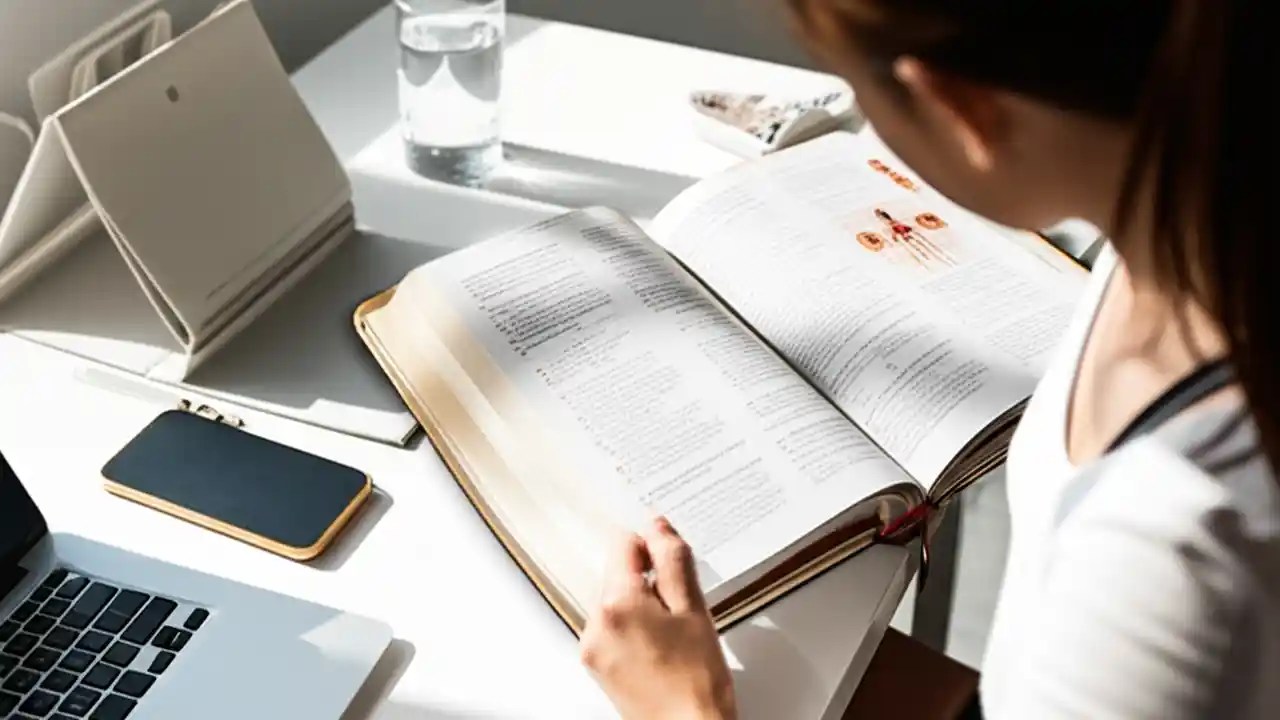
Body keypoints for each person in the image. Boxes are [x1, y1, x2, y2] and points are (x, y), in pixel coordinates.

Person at [577, 1, 1280, 718]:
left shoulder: (1174, 551)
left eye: (872, 103)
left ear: (963, 110)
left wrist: (683, 708)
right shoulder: (1175, 230)